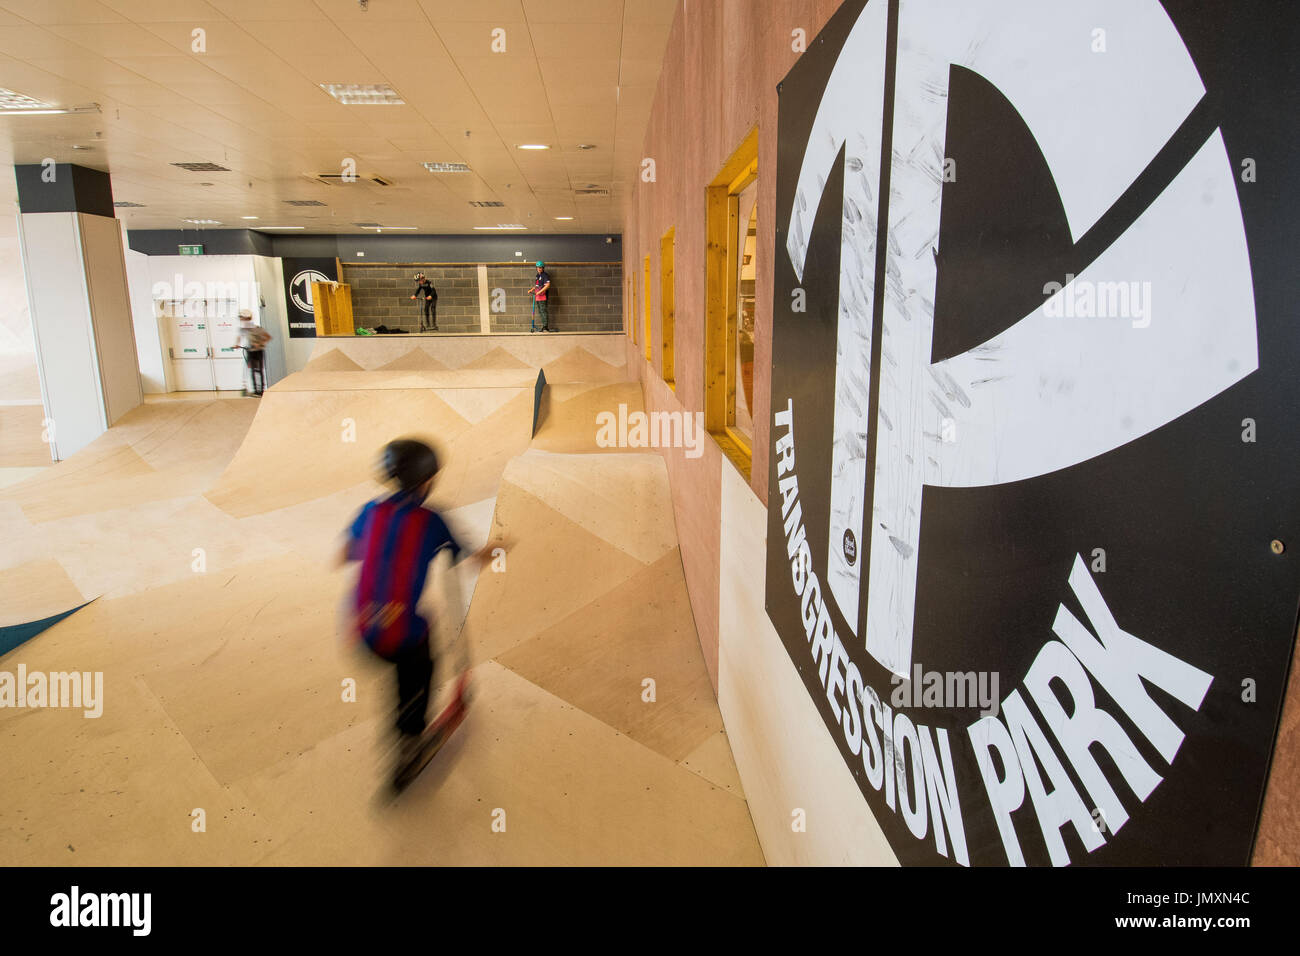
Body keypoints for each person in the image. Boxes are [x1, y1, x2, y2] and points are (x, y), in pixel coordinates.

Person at [337, 439, 499, 764]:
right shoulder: (431, 521)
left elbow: (343, 555)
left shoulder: (370, 511)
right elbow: (471, 560)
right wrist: (498, 549)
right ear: (427, 480)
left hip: (359, 630)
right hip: (399, 636)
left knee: (405, 648)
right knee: (419, 666)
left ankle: (401, 713)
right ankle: (409, 740)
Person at [236, 309, 271, 395]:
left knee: (259, 371)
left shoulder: (257, 329)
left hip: (258, 351)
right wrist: (236, 344)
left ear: (247, 318)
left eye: (242, 318)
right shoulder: (243, 329)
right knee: (252, 371)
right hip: (250, 351)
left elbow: (268, 337)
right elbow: (239, 337)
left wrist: (259, 344)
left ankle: (261, 390)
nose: (241, 320)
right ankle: (255, 390)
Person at [529, 261, 553, 332]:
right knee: (540, 311)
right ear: (536, 268)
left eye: (540, 267)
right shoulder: (537, 276)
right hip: (537, 296)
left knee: (543, 311)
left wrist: (540, 291)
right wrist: (531, 289)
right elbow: (537, 286)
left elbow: (548, 285)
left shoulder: (545, 275)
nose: (539, 269)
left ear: (543, 268)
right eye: (538, 267)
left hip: (543, 296)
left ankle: (545, 326)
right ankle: (544, 325)